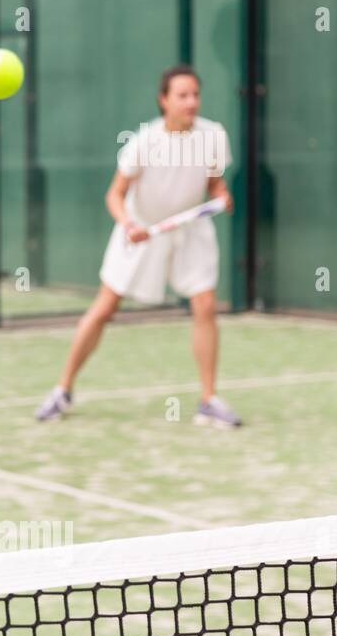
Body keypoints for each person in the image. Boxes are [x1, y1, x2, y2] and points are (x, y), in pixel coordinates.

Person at [35, 64, 241, 428]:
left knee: (206, 305)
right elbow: (115, 194)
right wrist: (129, 224)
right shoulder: (144, 141)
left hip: (191, 230)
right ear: (164, 100)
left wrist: (221, 195)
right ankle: (62, 389)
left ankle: (208, 400)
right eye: (182, 95)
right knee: (104, 309)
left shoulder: (213, 136)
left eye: (195, 94)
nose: (191, 101)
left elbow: (214, 182)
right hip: (140, 230)